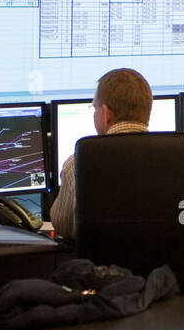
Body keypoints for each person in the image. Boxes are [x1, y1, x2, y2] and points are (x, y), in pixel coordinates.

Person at [49, 68, 153, 239]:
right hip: (163, 265)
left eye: (94, 107)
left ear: (106, 114)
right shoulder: (177, 160)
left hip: (102, 265)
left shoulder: (79, 163)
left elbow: (63, 226)